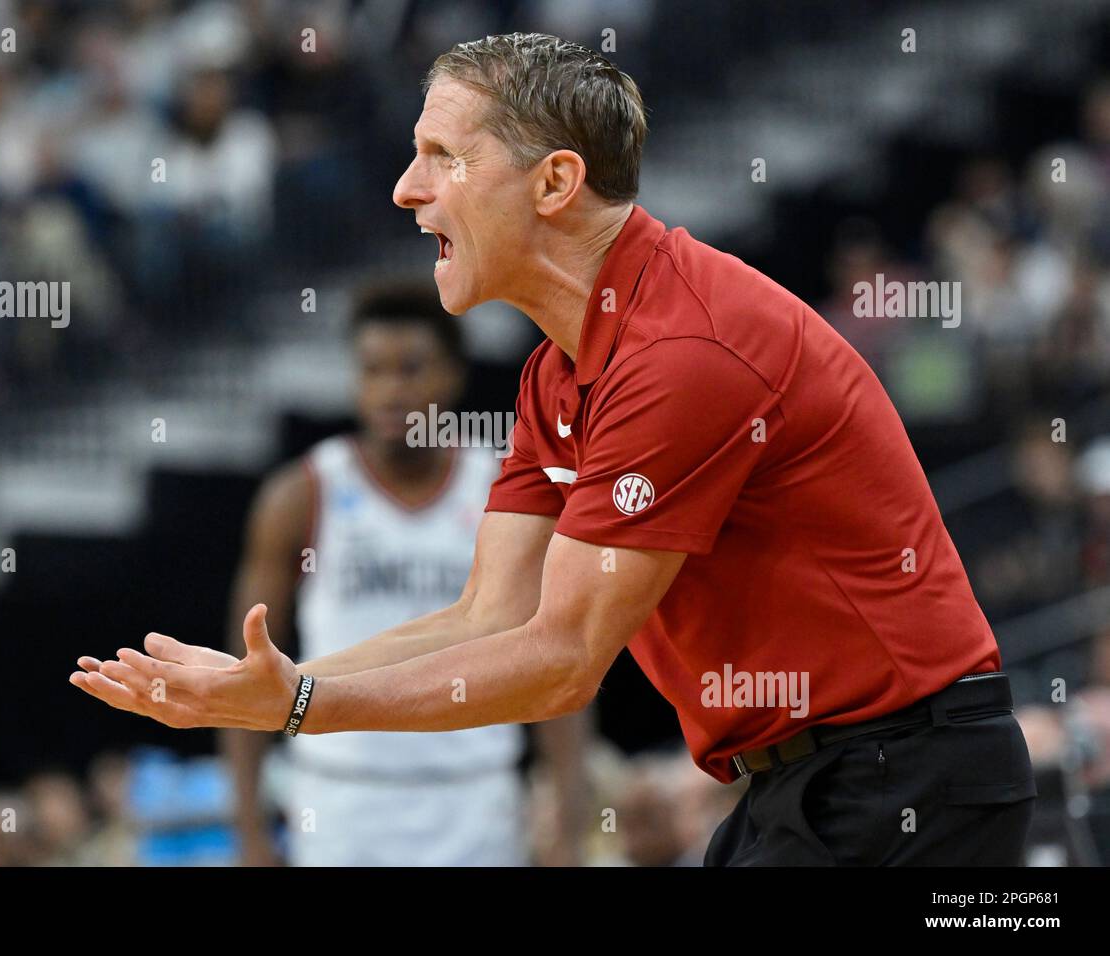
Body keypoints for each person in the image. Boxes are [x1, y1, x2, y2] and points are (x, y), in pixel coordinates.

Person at [72, 32, 1035, 866]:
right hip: (820, 782)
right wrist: (274, 683)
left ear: (556, 182)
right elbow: (490, 614)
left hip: (906, 782)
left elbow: (564, 661)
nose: (408, 189)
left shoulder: (681, 355)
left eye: (443, 156)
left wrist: (299, 706)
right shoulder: (561, 369)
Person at [218, 283, 588, 865]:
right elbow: (248, 672)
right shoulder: (300, 495)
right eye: (373, 371)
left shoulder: (507, 490)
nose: (391, 390)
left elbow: (559, 655)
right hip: (340, 802)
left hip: (475, 797)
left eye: (411, 369)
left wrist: (567, 828)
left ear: (452, 376)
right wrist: (250, 835)